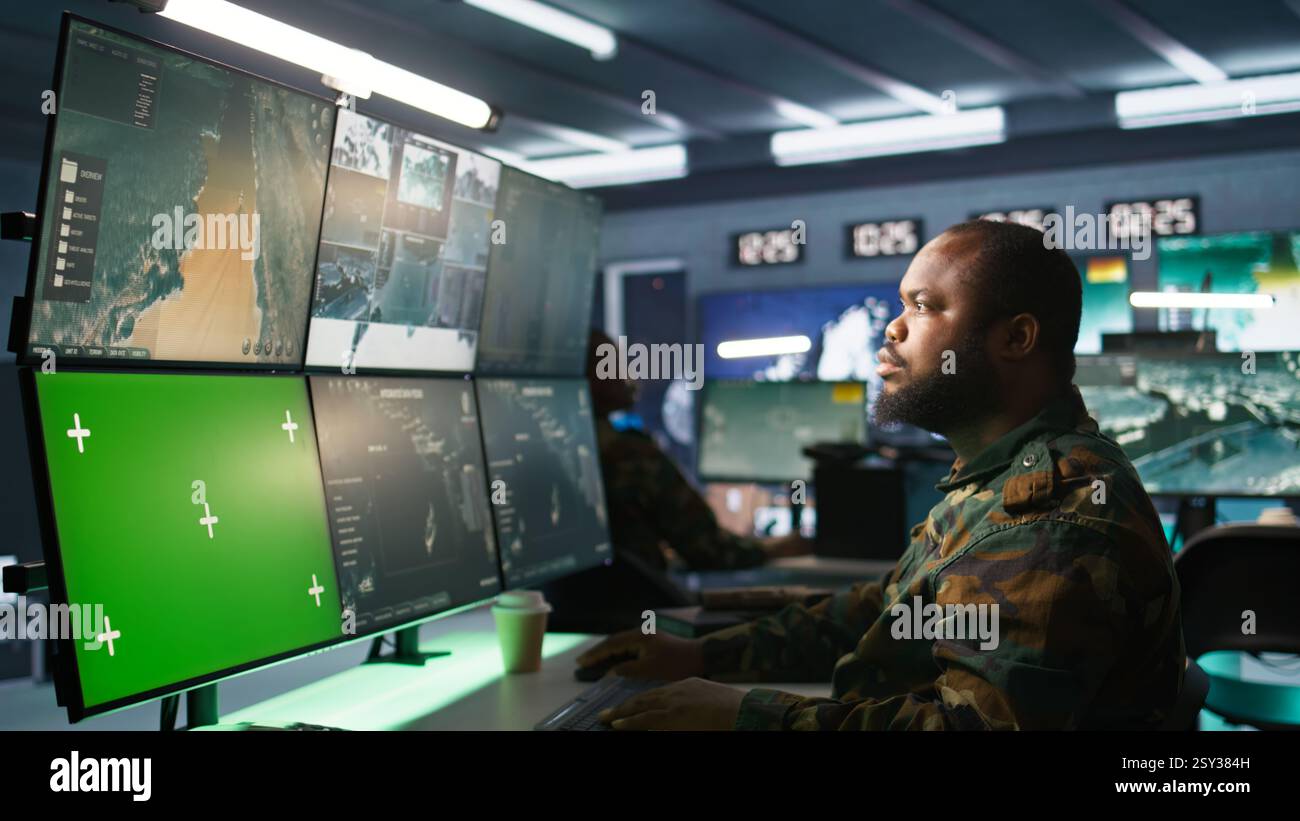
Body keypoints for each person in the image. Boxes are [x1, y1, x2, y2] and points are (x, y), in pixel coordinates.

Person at [576, 219, 1186, 730]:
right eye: (900, 305)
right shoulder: (992, 476)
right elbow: (887, 609)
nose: (892, 328)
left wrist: (746, 716)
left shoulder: (1055, 519)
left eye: (923, 306)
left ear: (1017, 338)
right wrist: (704, 653)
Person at [543, 330, 810, 632]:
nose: (627, 373)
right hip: (641, 622)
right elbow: (710, 551)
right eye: (610, 363)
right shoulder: (630, 455)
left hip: (564, 618)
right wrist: (777, 548)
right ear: (588, 380)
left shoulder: (544, 450)